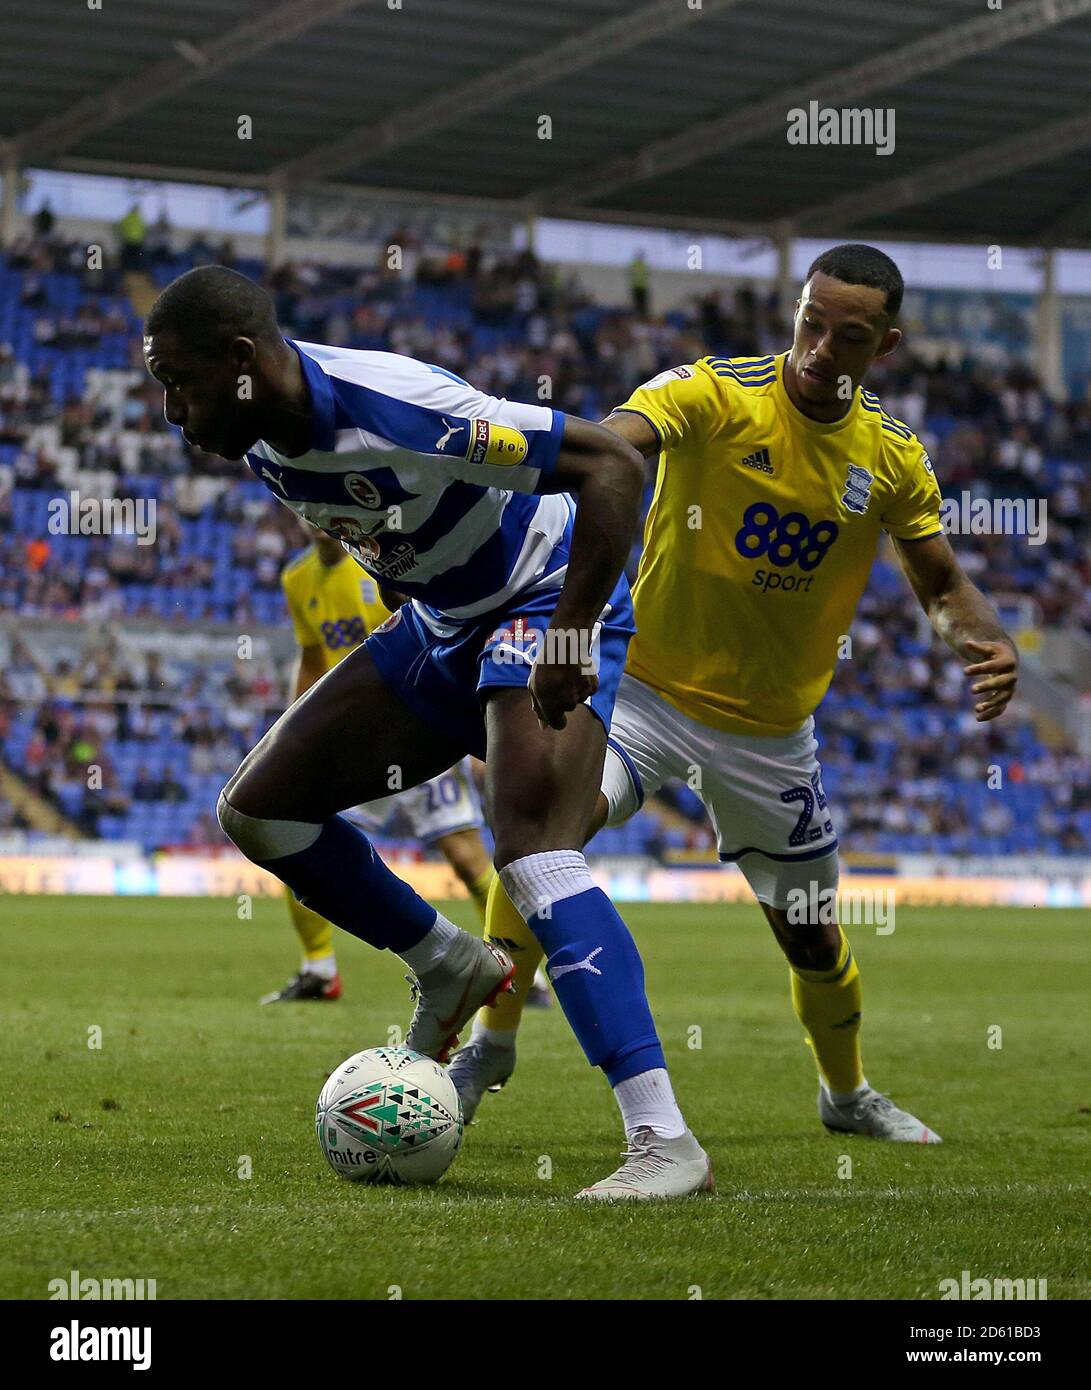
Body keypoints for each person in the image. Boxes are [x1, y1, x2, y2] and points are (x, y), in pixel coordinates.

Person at [142, 265, 711, 1200]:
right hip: (443, 626)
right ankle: (447, 962)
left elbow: (612, 464)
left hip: (536, 597)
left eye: (179, 381)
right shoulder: (258, 437)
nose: (172, 410)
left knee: (531, 854)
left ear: (241, 359)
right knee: (260, 813)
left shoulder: (402, 410)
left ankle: (663, 1141)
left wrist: (569, 627)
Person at [453, 244, 1019, 1145]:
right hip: (641, 694)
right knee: (542, 836)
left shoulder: (893, 457)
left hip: (770, 736)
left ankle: (844, 1094)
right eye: (810, 320)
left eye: (849, 335)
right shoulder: (712, 395)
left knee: (810, 936)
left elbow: (942, 586)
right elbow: (607, 449)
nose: (819, 346)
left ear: (887, 346)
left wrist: (981, 642)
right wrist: (507, 449)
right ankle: (491, 1041)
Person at [263, 523, 503, 1005]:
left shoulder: (382, 568)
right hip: (353, 737)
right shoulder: (297, 578)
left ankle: (519, 971)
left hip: (418, 726)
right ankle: (319, 969)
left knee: (466, 858)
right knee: (287, 829)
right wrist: (295, 728)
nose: (313, 521)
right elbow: (312, 657)